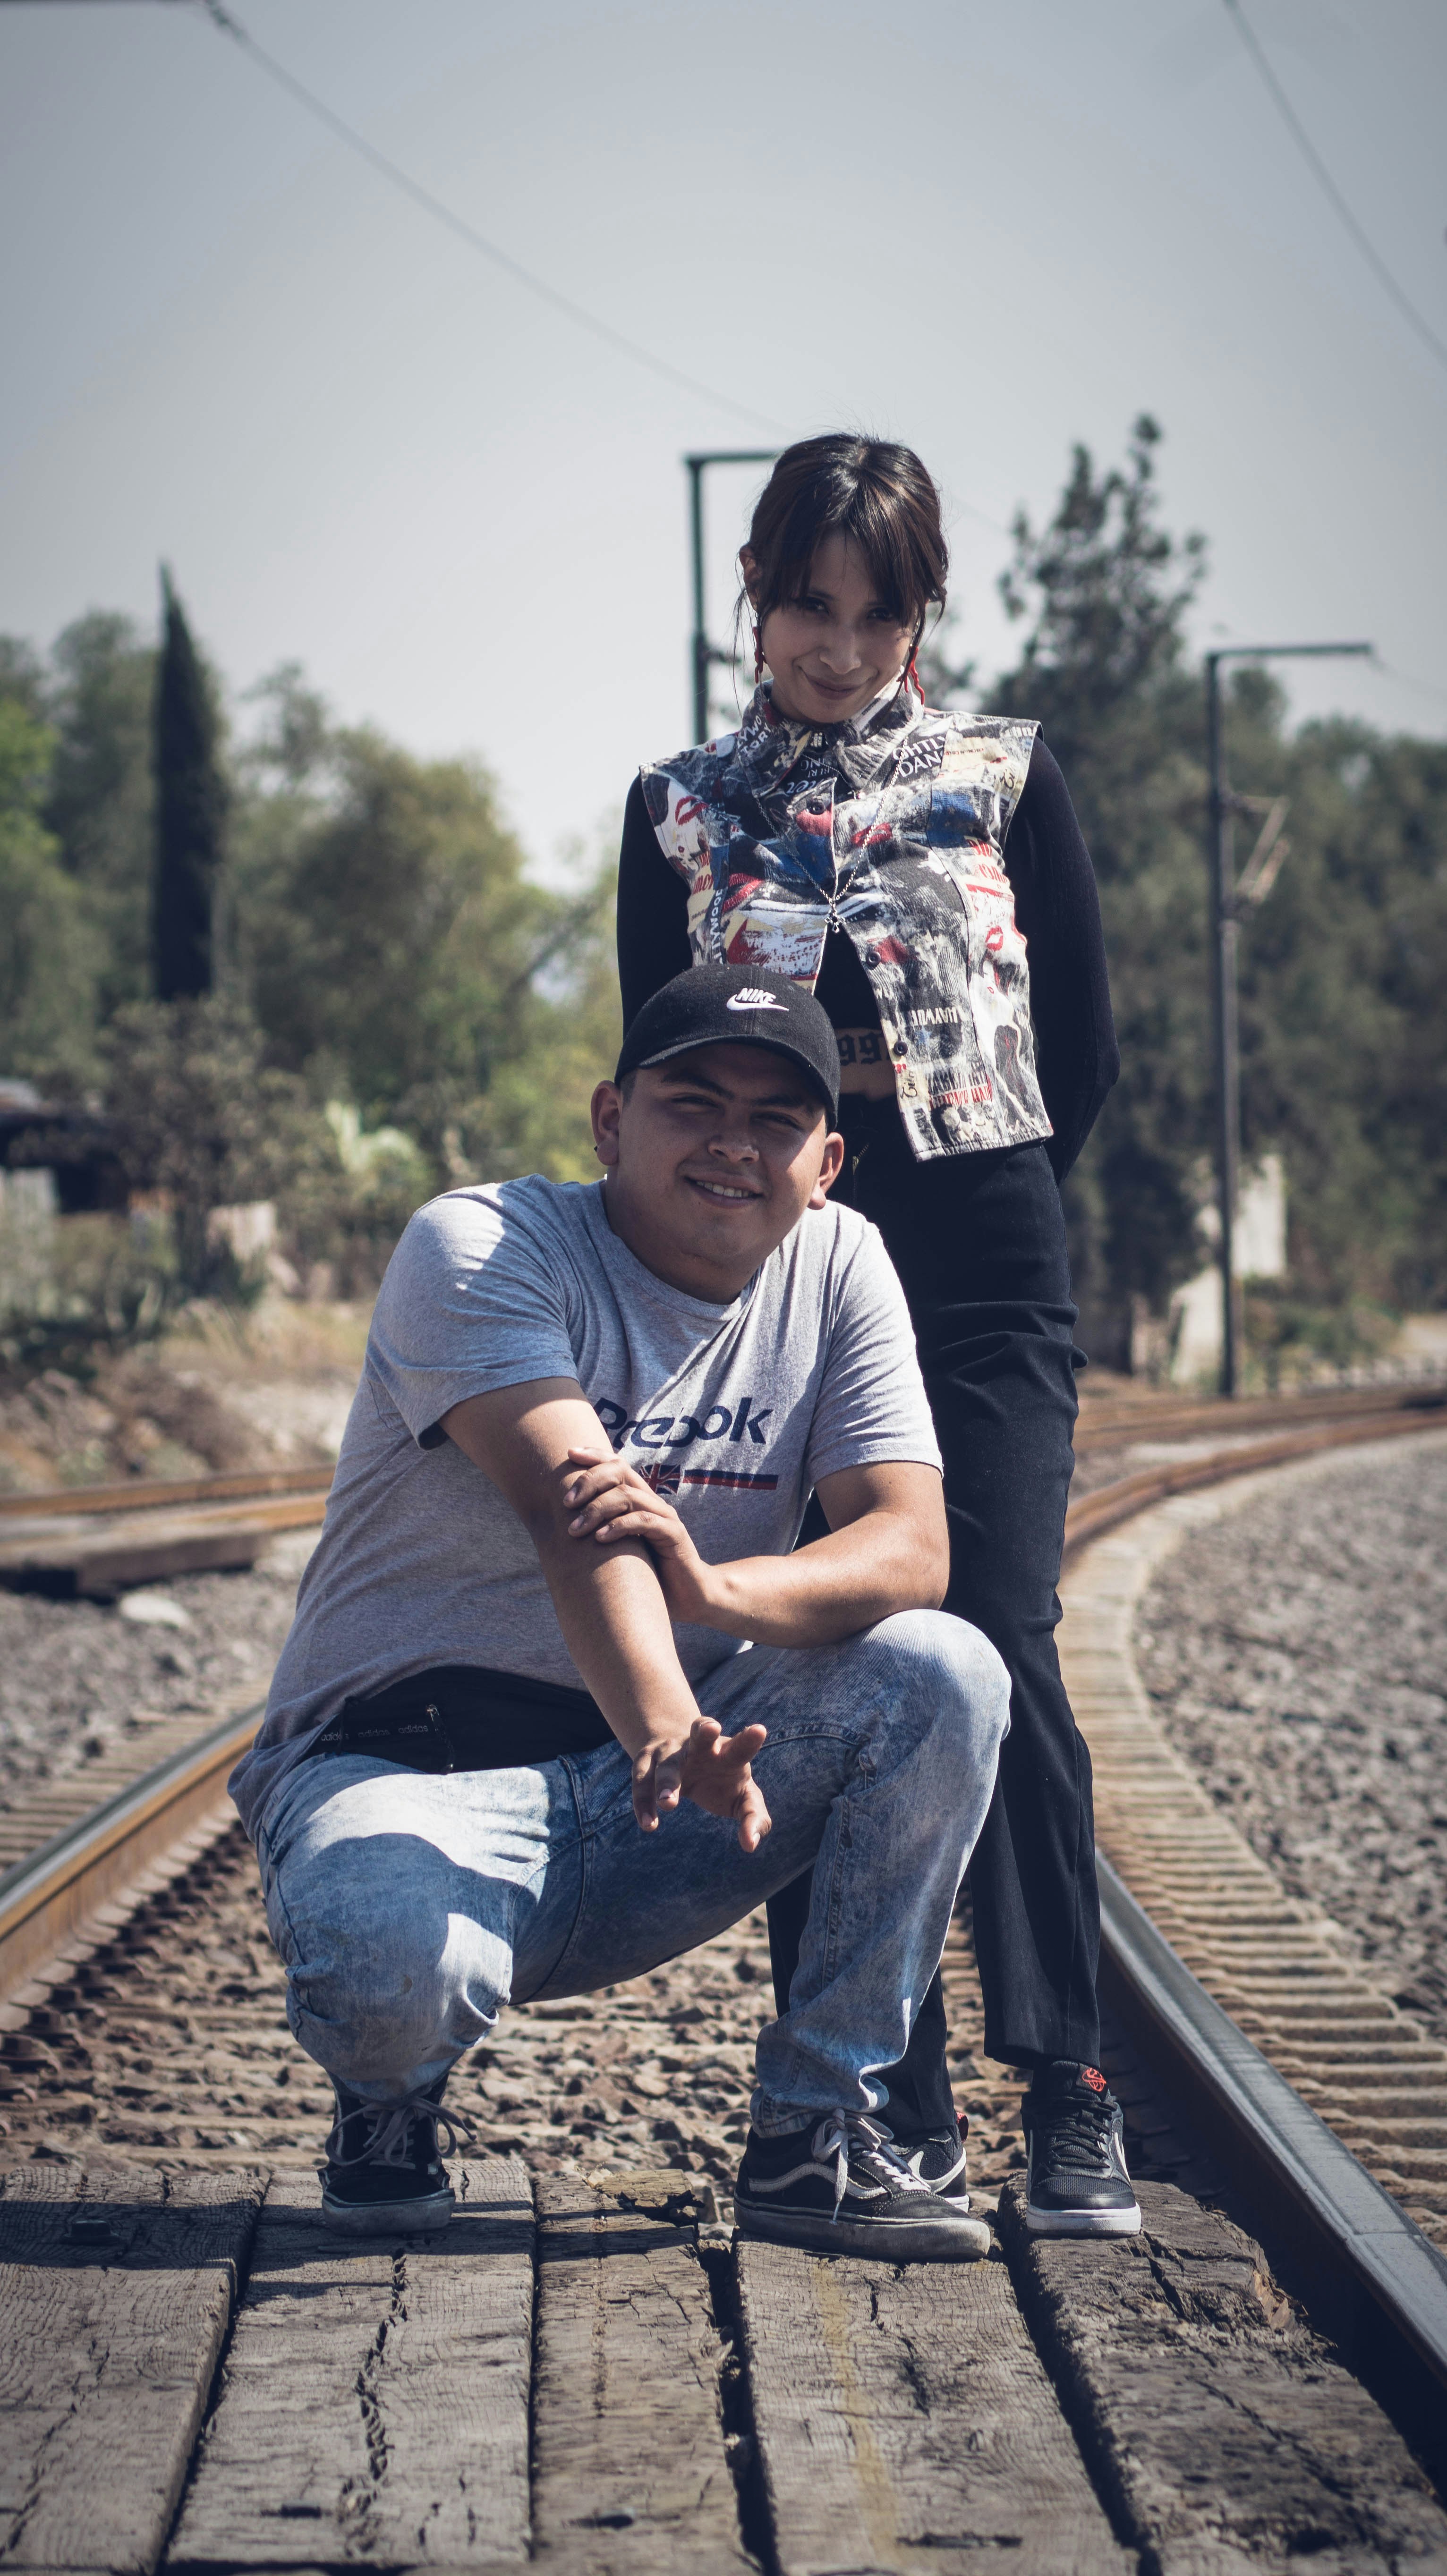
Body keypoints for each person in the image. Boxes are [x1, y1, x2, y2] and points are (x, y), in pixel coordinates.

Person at [230, 965, 1010, 2256]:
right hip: (415, 1764)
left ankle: (819, 2132)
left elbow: (909, 1544)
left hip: (663, 1790)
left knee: (944, 1671)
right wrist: (662, 1725)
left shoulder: (839, 1264)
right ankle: (388, 2091)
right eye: (692, 1103)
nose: (732, 1145)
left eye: (776, 1122)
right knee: (387, 1979)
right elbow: (575, 1515)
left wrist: (716, 1596)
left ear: (828, 1162)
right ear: (610, 1121)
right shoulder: (481, 1245)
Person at [616, 434, 1141, 2237]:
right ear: (754, 597)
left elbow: (1079, 1053)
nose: (838, 645)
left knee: (997, 1633)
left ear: (923, 615)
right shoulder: (678, 806)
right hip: (782, 1264)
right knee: (845, 1653)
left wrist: (950, 1161)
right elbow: (657, 1077)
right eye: (806, 604)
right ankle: (874, 2100)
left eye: (878, 610)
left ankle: (1069, 2083)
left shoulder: (1004, 777)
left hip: (982, 1248)